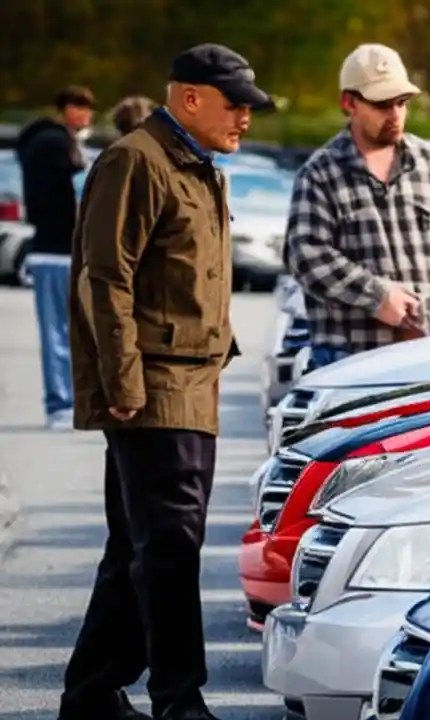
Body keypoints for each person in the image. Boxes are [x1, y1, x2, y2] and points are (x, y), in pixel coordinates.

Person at [60, 44, 272, 720]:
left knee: (138, 546)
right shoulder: (136, 161)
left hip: (189, 382)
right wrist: (123, 382)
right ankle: (178, 699)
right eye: (233, 103)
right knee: (172, 547)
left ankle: (92, 693)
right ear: (188, 98)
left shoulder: (197, 164)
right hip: (152, 389)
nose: (245, 117)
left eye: (248, 105)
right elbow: (104, 278)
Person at [285, 43, 430, 370]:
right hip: (351, 362)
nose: (395, 114)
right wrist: (376, 297)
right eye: (382, 104)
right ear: (349, 103)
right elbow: (305, 255)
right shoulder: (320, 175)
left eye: (402, 103)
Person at [14, 85, 95, 430]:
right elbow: (68, 197)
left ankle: (66, 402)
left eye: (88, 109)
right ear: (65, 109)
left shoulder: (47, 142)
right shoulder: (56, 144)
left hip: (54, 248)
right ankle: (61, 403)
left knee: (63, 332)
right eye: (79, 107)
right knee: (60, 333)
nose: (85, 115)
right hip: (57, 248)